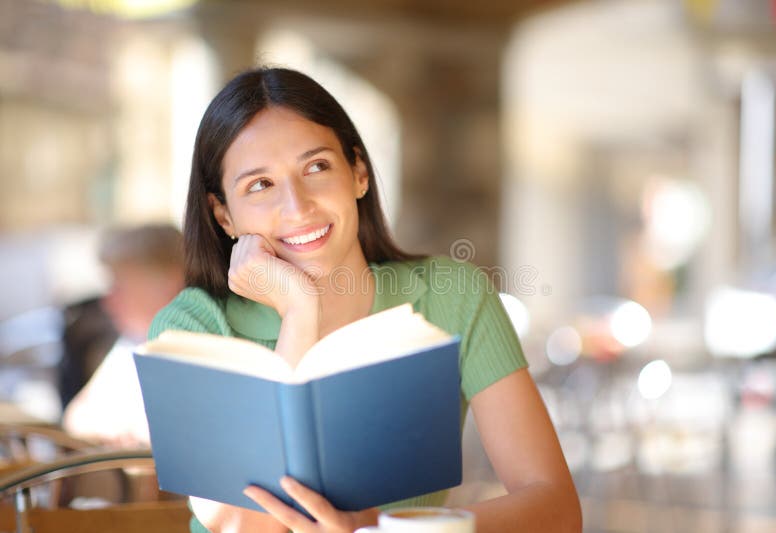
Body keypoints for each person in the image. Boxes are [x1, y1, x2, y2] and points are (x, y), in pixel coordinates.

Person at [148, 67, 582, 533]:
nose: (297, 207)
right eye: (260, 184)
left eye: (316, 167)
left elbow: (555, 509)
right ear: (223, 215)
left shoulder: (451, 297)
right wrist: (299, 313)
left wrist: (374, 527)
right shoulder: (191, 330)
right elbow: (240, 525)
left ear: (357, 172)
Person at [63, 224, 184, 447]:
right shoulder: (131, 342)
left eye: (122, 286)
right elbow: (75, 418)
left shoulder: (190, 350)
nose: (109, 300)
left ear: (170, 283)